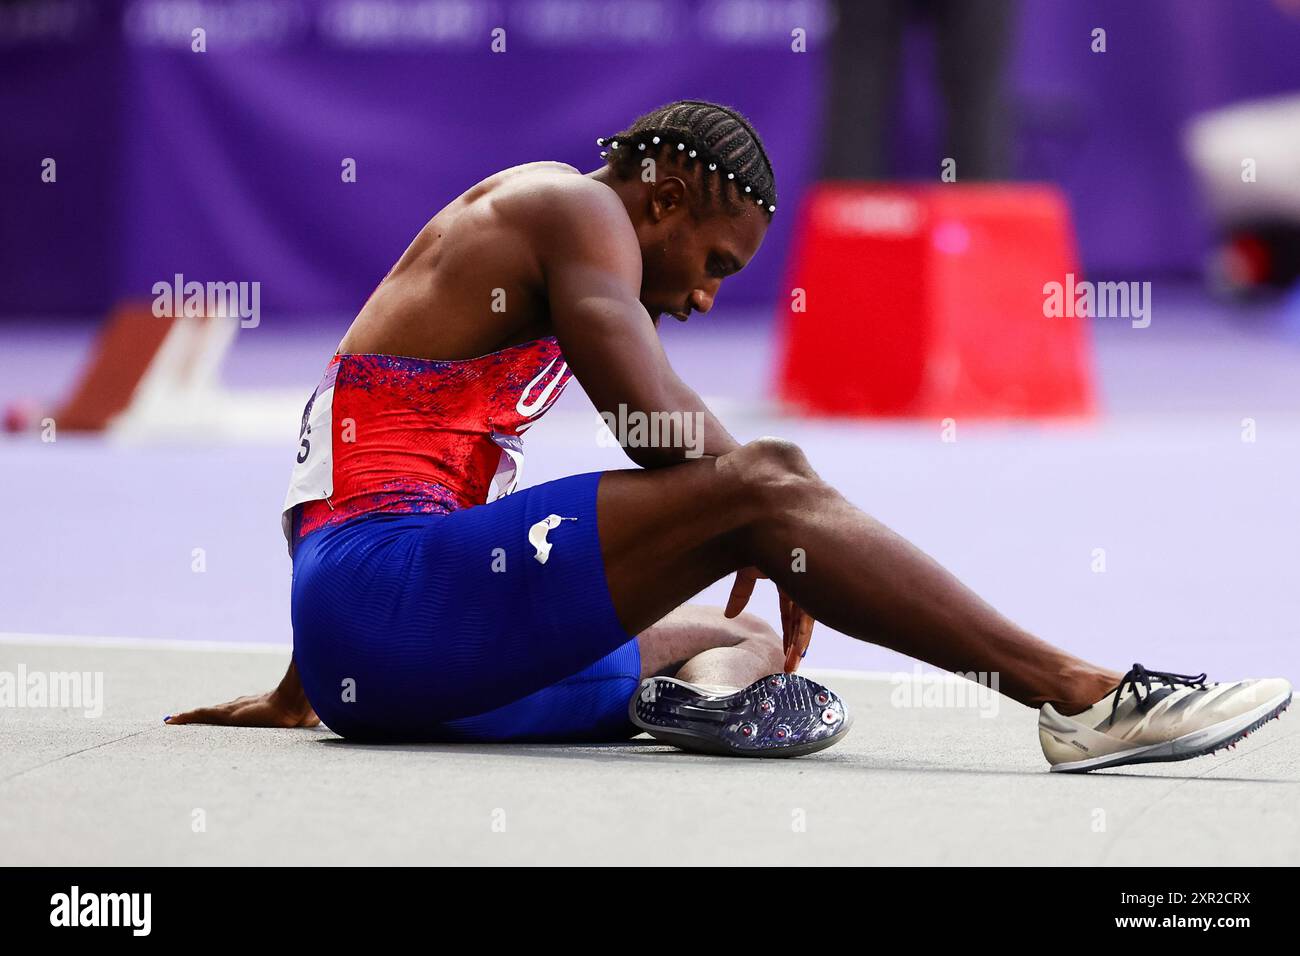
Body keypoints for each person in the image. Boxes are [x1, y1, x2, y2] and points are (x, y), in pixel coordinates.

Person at [167, 100, 1290, 771]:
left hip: (371, 647)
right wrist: (772, 514)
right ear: (662, 201)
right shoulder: (572, 208)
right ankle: (1078, 694)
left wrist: (305, 676)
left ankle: (709, 683)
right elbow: (654, 425)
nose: (703, 301)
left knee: (724, 628)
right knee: (765, 476)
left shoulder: (531, 238)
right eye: (713, 264)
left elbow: (346, 473)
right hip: (381, 607)